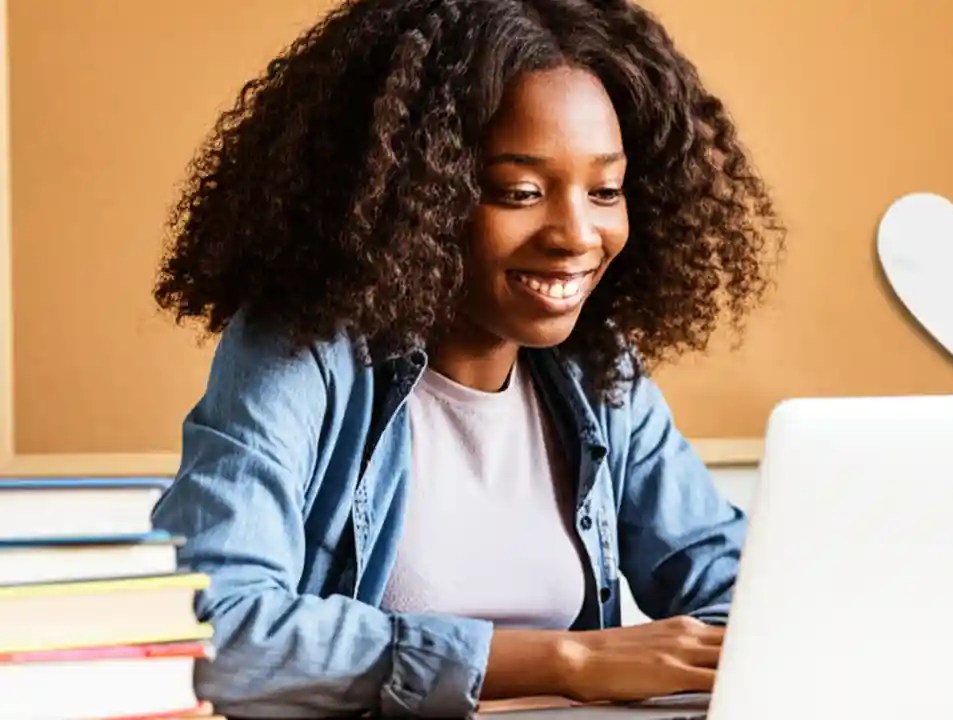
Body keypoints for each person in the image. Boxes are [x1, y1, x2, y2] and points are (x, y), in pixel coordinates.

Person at [149, 0, 784, 716]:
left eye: (606, 191)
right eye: (520, 192)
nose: (578, 234)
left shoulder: (600, 374)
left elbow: (733, 584)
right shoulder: (302, 353)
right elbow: (216, 631)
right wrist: (565, 660)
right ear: (413, 194)